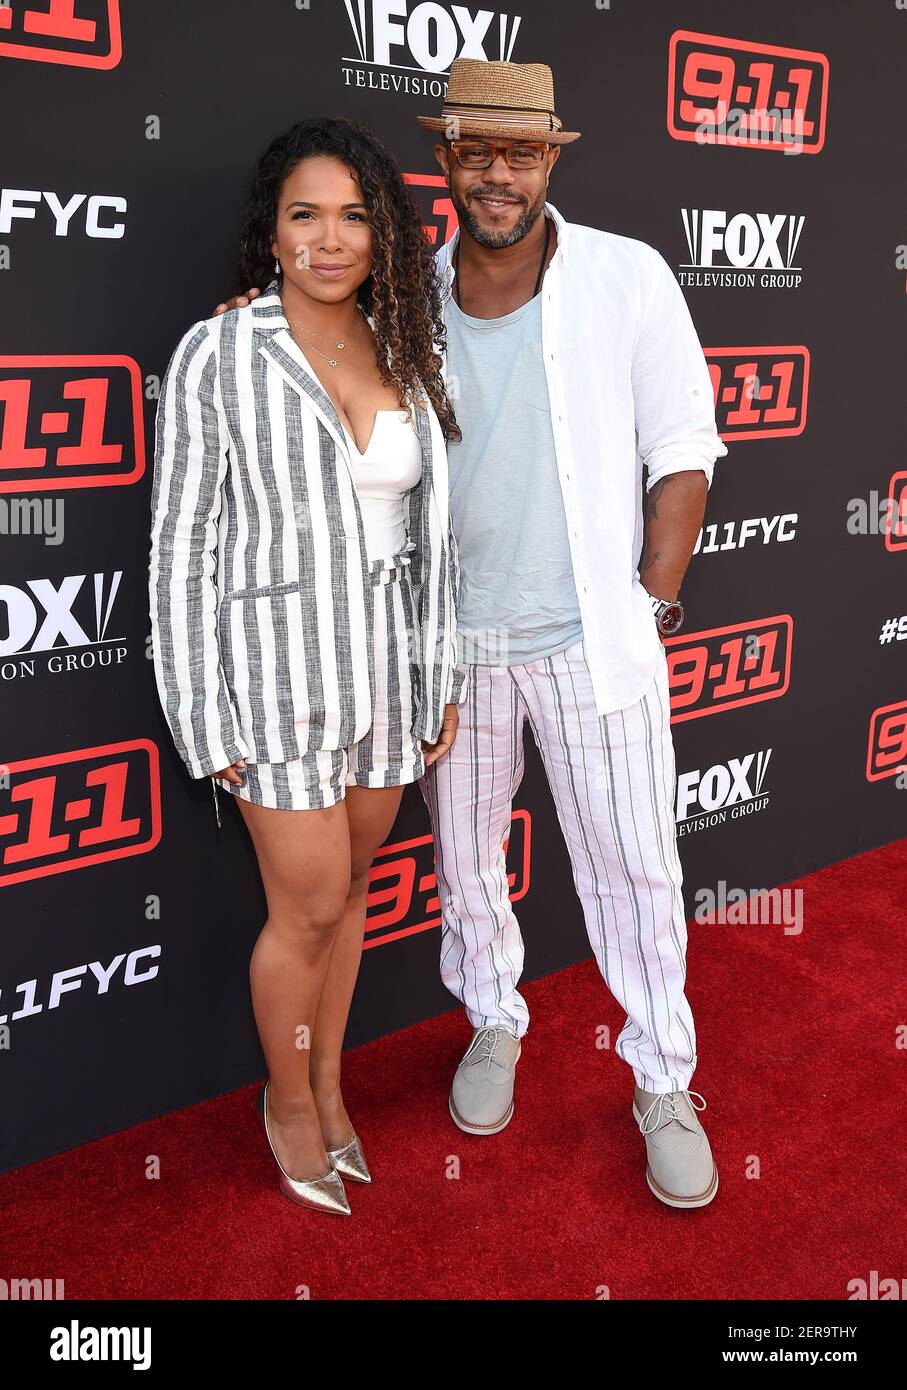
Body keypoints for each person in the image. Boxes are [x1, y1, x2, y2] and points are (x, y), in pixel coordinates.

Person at [218, 58, 729, 1210]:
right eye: (476, 151)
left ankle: (661, 1078)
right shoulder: (405, 294)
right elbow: (301, 354)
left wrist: (648, 603)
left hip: (593, 640)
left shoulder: (626, 278)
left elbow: (684, 449)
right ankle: (493, 1020)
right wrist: (241, 324)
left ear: (552, 158)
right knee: (468, 870)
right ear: (443, 159)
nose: (497, 174)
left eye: (521, 152)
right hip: (446, 652)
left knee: (637, 869)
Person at [149, 116, 465, 1216]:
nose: (330, 239)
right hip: (273, 678)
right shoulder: (221, 352)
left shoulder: (405, 346)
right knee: (309, 902)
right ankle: (286, 1106)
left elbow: (432, 539)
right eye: (304, 215)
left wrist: (438, 678)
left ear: (382, 231)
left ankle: (329, 1084)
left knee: (353, 896)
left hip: (388, 673)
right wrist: (204, 716)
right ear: (270, 232)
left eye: (353, 215)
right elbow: (181, 546)